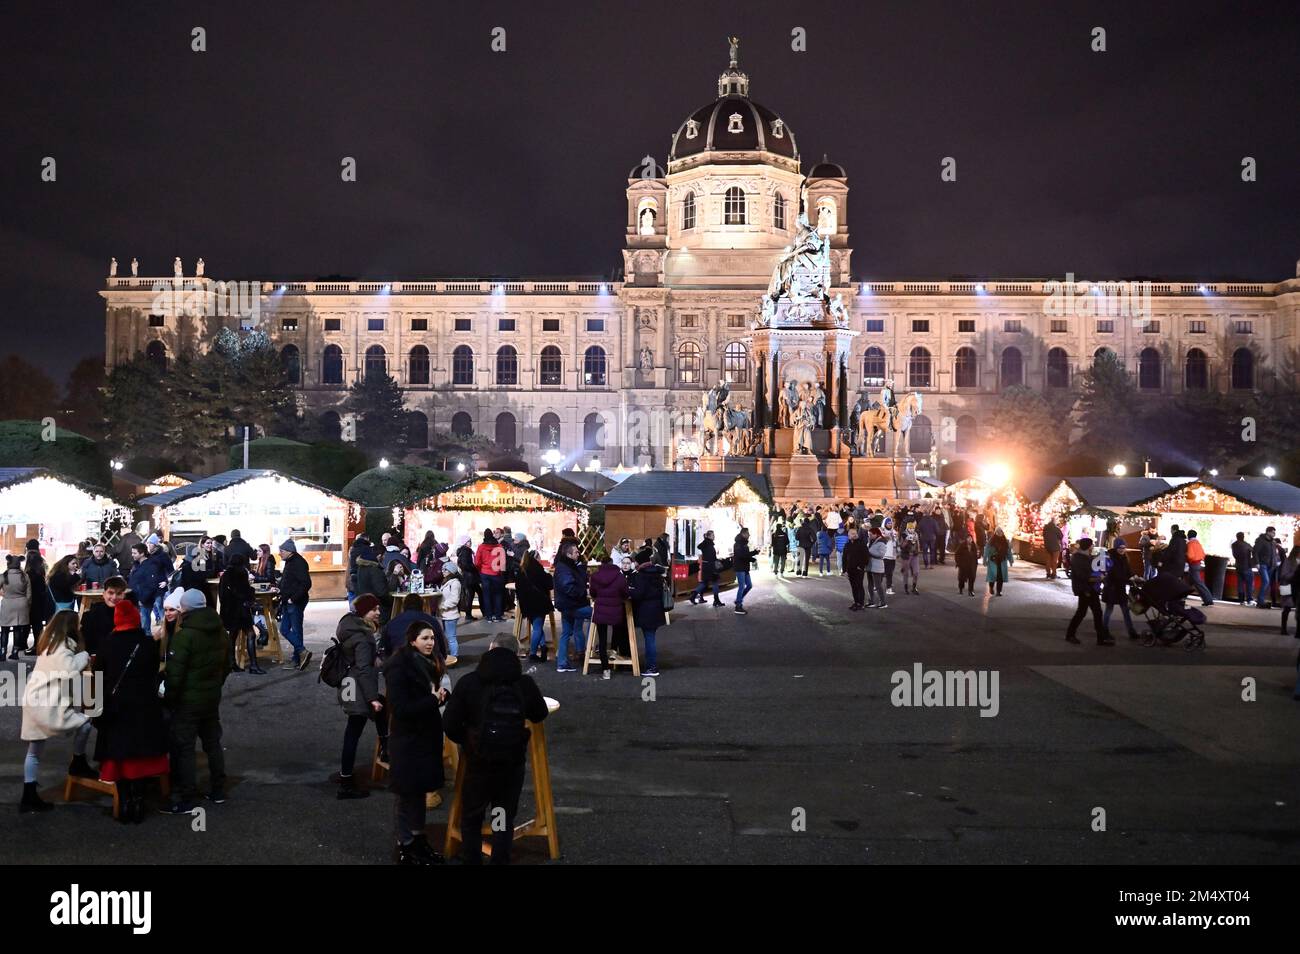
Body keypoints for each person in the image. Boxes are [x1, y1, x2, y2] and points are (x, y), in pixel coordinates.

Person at [442, 638, 548, 864]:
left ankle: (472, 859)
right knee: (502, 815)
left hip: (479, 762)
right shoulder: (523, 683)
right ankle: (500, 859)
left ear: (491, 648)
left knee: (472, 817)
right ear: (516, 653)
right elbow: (539, 714)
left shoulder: (470, 682)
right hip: (511, 763)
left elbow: (450, 724)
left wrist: (469, 742)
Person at [94, 599, 168, 823]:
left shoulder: (107, 644)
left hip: (116, 708)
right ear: (136, 618)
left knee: (118, 755)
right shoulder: (146, 644)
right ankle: (138, 800)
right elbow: (153, 672)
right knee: (141, 754)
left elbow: (98, 676)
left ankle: (124, 801)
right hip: (144, 707)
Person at [19, 611, 96, 812]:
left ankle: (28, 795)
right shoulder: (61, 648)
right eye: (77, 625)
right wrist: (85, 655)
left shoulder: (48, 644)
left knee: (34, 751)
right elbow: (69, 670)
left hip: (34, 701)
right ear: (69, 626)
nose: (79, 628)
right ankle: (78, 761)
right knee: (86, 723)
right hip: (47, 705)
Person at [162, 589, 230, 813]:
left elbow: (175, 674)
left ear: (185, 608)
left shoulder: (185, 636)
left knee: (185, 749)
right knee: (212, 744)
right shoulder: (221, 631)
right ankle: (218, 789)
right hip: (211, 698)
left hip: (188, 702)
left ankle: (187, 798)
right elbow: (227, 665)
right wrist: (215, 686)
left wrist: (171, 698)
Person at [385, 622, 448, 864]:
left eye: (432, 638)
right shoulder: (399, 667)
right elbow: (400, 709)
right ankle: (406, 845)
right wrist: (433, 701)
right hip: (407, 739)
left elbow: (430, 695)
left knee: (420, 791)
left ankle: (418, 839)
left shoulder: (429, 662)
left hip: (425, 737)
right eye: (425, 638)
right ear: (412, 640)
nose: (430, 642)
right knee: (406, 793)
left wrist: (442, 697)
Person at [335, 594, 387, 799]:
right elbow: (364, 669)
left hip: (347, 684)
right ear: (364, 612)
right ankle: (346, 782)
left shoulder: (348, 627)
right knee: (353, 733)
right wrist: (372, 697)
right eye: (374, 609)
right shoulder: (363, 637)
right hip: (357, 686)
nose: (378, 612)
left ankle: (385, 747)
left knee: (353, 730)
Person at [219, 553, 263, 675]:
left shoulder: (225, 575)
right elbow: (244, 591)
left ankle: (232, 663)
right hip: (241, 610)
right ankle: (253, 665)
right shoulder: (241, 573)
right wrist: (251, 594)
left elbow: (222, 595)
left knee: (233, 636)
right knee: (251, 634)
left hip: (229, 611)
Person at [552, 539, 591, 674]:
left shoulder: (566, 566)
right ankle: (588, 650)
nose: (578, 553)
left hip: (567, 605)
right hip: (572, 605)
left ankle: (562, 663)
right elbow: (568, 587)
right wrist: (582, 593)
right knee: (596, 614)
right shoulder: (565, 568)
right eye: (575, 552)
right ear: (569, 554)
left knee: (566, 633)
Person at [1066, 538, 1112, 646]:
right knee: (1084, 612)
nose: (1093, 547)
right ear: (1088, 546)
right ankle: (1071, 635)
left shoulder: (1085, 557)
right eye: (1092, 545)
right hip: (1085, 588)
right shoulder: (1079, 558)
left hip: (1090, 588)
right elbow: (1083, 576)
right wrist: (1097, 578)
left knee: (1093, 612)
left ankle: (1100, 637)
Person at [588, 555, 628, 679]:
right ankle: (615, 653)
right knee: (617, 631)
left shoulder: (595, 576)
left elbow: (593, 593)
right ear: (612, 563)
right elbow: (625, 593)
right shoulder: (620, 576)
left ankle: (606, 670)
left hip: (600, 610)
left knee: (602, 640)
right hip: (616, 610)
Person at [627, 547, 666, 675]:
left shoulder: (642, 575)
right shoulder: (656, 572)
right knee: (651, 637)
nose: (634, 564)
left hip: (646, 611)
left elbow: (638, 594)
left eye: (636, 562)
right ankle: (652, 665)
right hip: (656, 610)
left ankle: (652, 667)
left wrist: (630, 591)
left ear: (640, 562)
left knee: (649, 638)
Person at [277, 539, 312, 670]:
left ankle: (299, 656)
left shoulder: (298, 563)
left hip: (295, 602)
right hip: (289, 601)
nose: (279, 554)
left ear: (288, 551)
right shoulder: (291, 562)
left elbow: (306, 583)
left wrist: (293, 598)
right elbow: (289, 580)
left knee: (293, 630)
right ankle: (300, 655)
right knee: (286, 629)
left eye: (281, 551)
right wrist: (280, 588)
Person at [517, 549, 555, 662]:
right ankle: (533, 653)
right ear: (536, 558)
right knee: (538, 628)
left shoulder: (521, 570)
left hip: (526, 603)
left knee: (536, 627)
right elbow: (549, 584)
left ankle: (543, 647)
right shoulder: (538, 569)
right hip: (539, 602)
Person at [383, 592, 443, 660]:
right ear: (422, 606)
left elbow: (387, 652)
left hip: (399, 664)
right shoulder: (433, 621)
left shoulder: (391, 623)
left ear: (403, 606)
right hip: (428, 665)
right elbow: (442, 651)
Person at [1102, 538, 1140, 639]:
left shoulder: (1123, 558)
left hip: (1120, 588)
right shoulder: (1111, 558)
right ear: (1116, 547)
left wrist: (1133, 576)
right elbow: (1115, 574)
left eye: (1124, 548)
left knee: (1125, 610)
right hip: (1112, 588)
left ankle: (1131, 631)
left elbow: (1127, 570)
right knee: (1109, 610)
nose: (1122, 550)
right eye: (1120, 548)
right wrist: (1128, 579)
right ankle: (1104, 630)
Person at [127, 543, 164, 632]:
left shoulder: (150, 566)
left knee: (145, 628)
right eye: (132, 553)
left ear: (142, 553)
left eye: (134, 553)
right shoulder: (136, 564)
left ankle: (147, 644)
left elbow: (151, 585)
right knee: (139, 626)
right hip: (136, 599)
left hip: (144, 601)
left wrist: (143, 599)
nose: (132, 555)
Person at [1, 553, 32, 659]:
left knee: (4, 630)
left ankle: (2, 652)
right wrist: (26, 605)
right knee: (17, 629)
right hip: (21, 604)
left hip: (7, 604)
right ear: (19, 564)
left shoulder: (3, 576)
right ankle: (15, 652)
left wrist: (4, 594)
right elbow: (29, 594)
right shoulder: (25, 576)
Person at [475, 530, 507, 622]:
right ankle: (497, 616)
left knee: (486, 595)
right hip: (497, 574)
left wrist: (480, 569)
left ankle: (489, 616)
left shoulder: (481, 547)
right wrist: (501, 572)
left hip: (484, 574)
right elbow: (503, 562)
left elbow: (477, 562)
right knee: (498, 594)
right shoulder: (499, 546)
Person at [689, 530, 723, 606]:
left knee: (704, 583)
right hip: (710, 567)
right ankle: (716, 600)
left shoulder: (705, 544)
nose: (714, 537)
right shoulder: (709, 545)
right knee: (715, 582)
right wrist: (715, 568)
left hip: (706, 567)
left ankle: (693, 596)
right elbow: (712, 558)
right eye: (713, 535)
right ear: (709, 536)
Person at [437, 566, 462, 664]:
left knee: (451, 637)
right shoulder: (447, 582)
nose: (443, 571)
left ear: (451, 571)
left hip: (450, 614)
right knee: (448, 636)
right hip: (445, 614)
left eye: (445, 570)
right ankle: (450, 656)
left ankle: (454, 657)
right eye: (442, 569)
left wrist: (443, 606)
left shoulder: (455, 583)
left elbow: (454, 599)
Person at [1184, 530, 1214, 606]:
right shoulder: (1198, 543)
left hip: (1193, 565)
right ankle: (1181, 598)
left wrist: (1186, 558)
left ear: (1189, 535)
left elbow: (1190, 555)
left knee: (1199, 583)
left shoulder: (1190, 543)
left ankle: (1208, 599)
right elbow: (1203, 554)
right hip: (1198, 564)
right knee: (1188, 583)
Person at [843, 526, 868, 610]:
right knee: (853, 586)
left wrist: (861, 566)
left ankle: (861, 603)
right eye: (852, 534)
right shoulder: (847, 545)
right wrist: (844, 570)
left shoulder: (861, 544)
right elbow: (844, 558)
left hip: (859, 570)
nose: (854, 535)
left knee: (859, 586)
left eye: (855, 533)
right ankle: (856, 602)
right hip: (850, 570)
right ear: (848, 535)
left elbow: (866, 556)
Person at [1253, 527, 1279, 609]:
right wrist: (1257, 563)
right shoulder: (1260, 540)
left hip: (1271, 565)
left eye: (1274, 533)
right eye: (1272, 532)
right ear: (1268, 532)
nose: (1274, 534)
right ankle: (1260, 601)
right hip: (1262, 564)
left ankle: (1261, 601)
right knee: (1266, 581)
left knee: (1266, 583)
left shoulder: (1273, 542)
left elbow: (1274, 554)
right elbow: (1255, 552)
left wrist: (1275, 563)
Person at [984, 529, 1013, 596]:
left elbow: (1008, 552)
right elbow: (986, 551)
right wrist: (985, 560)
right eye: (998, 532)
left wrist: (1011, 560)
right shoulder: (991, 541)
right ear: (995, 533)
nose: (999, 533)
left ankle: (999, 591)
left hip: (1002, 561)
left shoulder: (1005, 542)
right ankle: (991, 587)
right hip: (993, 561)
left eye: (1001, 532)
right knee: (992, 576)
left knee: (1001, 577)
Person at [732, 528, 755, 615]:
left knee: (749, 585)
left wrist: (754, 553)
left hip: (744, 567)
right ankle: (738, 606)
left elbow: (745, 554)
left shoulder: (744, 543)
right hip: (740, 567)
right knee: (741, 586)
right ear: (743, 534)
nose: (749, 535)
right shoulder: (738, 544)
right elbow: (741, 556)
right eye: (748, 533)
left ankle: (739, 599)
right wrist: (751, 558)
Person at [865, 528, 889, 609]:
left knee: (878, 585)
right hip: (870, 566)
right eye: (869, 534)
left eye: (871, 534)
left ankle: (883, 602)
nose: (869, 536)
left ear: (876, 534)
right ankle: (871, 601)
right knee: (870, 585)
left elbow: (881, 554)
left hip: (877, 566)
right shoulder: (871, 541)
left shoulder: (881, 542)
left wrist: (868, 552)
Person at [1229, 531, 1255, 605]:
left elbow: (1235, 555)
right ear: (1243, 537)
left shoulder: (1234, 545)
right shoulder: (1246, 545)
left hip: (1238, 566)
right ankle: (1249, 599)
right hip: (1246, 566)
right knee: (1249, 583)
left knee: (1240, 584)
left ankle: (1241, 600)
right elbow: (1254, 552)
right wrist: (1252, 561)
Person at [1278, 546, 1299, 637]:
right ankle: (1283, 628)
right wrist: (1294, 575)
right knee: (1287, 608)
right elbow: (1283, 575)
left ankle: (1297, 631)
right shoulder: (1288, 561)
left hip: (1297, 587)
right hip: (1288, 586)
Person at [898, 527, 921, 594]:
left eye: (913, 528)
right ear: (907, 528)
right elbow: (901, 546)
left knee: (916, 572)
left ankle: (914, 588)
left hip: (914, 555)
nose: (912, 530)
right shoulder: (904, 534)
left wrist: (918, 550)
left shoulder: (916, 534)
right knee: (906, 573)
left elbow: (918, 544)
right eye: (910, 528)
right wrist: (906, 540)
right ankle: (906, 587)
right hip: (906, 556)